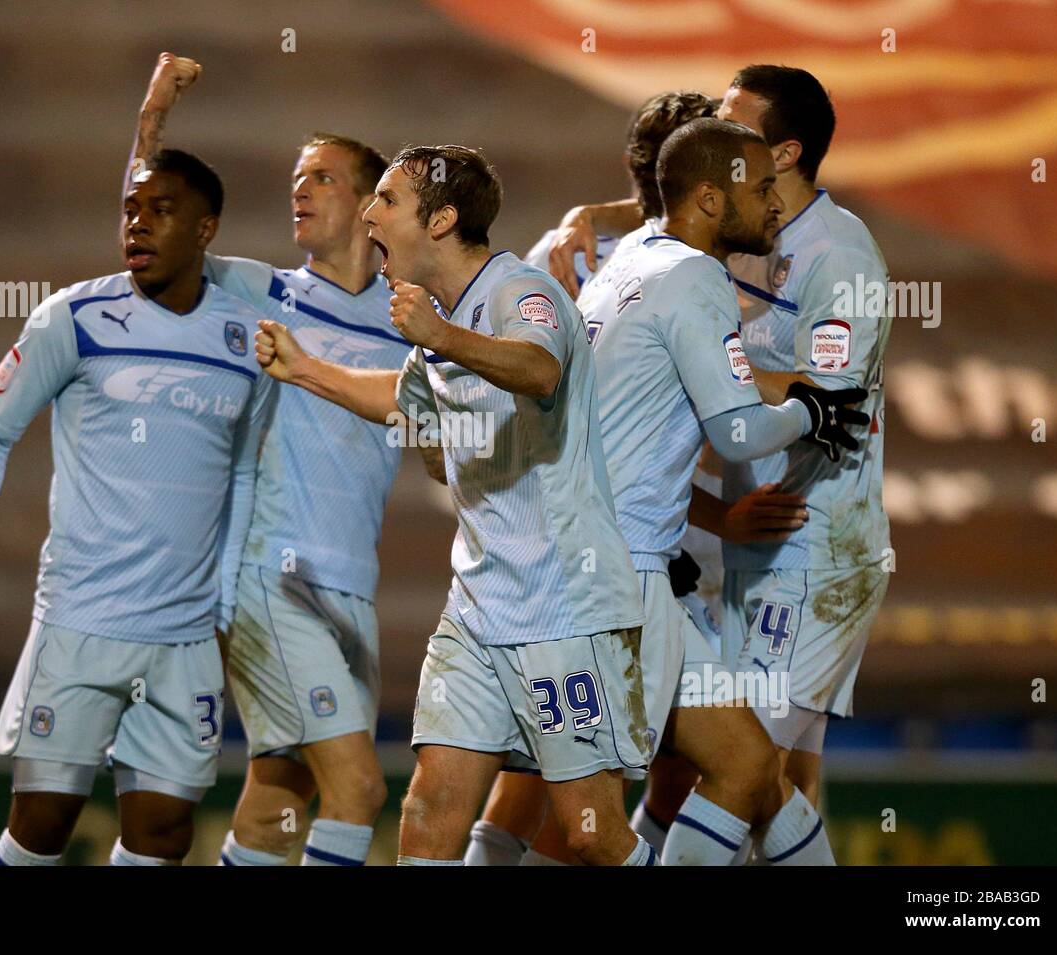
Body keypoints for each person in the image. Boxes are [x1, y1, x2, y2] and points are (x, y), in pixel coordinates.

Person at [256, 144, 656, 865]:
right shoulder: (438, 324)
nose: (369, 216)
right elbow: (403, 398)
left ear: (440, 220)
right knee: (431, 804)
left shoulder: (519, 291)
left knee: (590, 833)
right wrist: (305, 369)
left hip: (564, 611)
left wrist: (438, 336)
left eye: (386, 201)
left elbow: (538, 368)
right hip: (478, 609)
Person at [545, 65, 893, 852]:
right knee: (746, 777)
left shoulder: (835, 257)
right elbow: (751, 390)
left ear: (787, 151)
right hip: (726, 551)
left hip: (812, 546)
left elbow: (827, 406)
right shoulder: (724, 240)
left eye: (734, 121)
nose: (709, 130)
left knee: (744, 768)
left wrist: (795, 403)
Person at [127, 53, 421, 867]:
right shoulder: (261, 292)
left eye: (321, 177)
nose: (299, 188)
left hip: (348, 583)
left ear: (369, 205)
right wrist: (151, 125)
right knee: (358, 789)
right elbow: (151, 245)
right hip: (270, 575)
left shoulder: (409, 324)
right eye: (297, 176)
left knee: (275, 801)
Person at [0, 149, 274, 865]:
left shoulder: (246, 339)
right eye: (131, 208)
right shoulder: (75, 318)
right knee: (42, 824)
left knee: (162, 834)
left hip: (185, 637)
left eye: (161, 209)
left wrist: (224, 604)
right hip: (81, 622)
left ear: (206, 228)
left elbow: (243, 475)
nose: (139, 224)